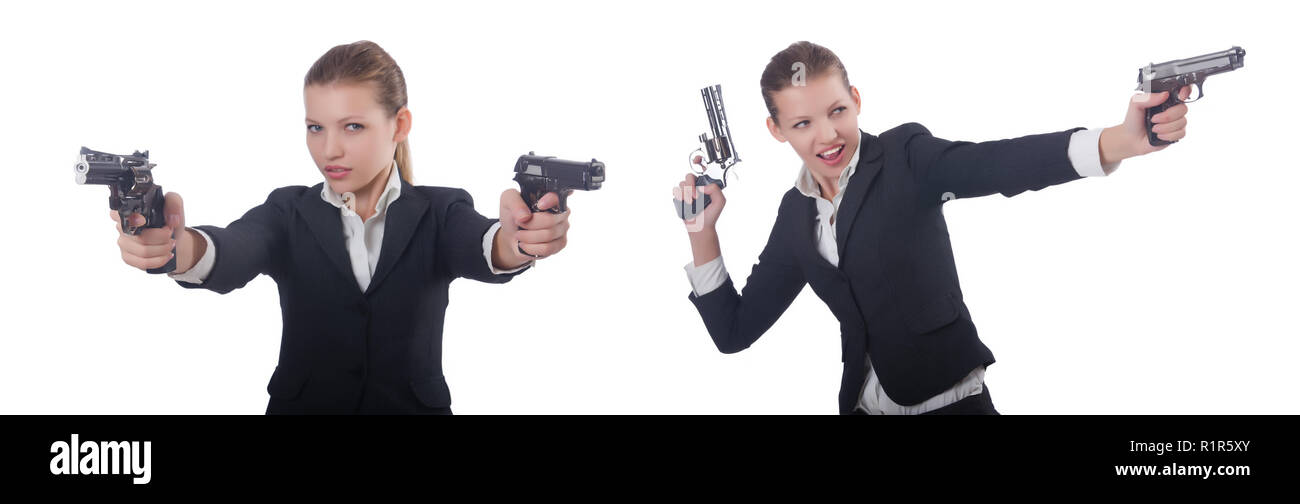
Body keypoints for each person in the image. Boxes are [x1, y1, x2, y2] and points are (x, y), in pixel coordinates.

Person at [676, 41, 1192, 414]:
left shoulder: (905, 158)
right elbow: (734, 332)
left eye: (837, 111)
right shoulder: (795, 214)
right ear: (777, 130)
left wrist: (1120, 142)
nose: (829, 135)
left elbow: (1000, 164)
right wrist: (702, 232)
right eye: (803, 124)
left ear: (856, 98)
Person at [110, 40, 572, 414]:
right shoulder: (287, 212)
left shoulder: (439, 210)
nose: (329, 149)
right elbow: (233, 250)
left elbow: (484, 245)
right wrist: (173, 247)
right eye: (315, 127)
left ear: (399, 125)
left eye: (352, 126)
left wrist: (521, 239)